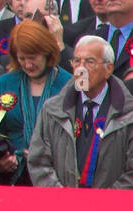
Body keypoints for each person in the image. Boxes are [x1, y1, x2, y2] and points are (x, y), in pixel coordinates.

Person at [27, 35, 132, 188]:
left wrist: (104, 201)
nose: (81, 68)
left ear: (108, 69)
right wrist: (62, 198)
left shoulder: (128, 113)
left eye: (90, 62)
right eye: (77, 61)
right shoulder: (52, 110)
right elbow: (38, 162)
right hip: (62, 205)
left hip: (111, 207)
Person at [0, 19, 70, 186]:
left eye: (33, 58)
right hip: (13, 176)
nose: (27, 64)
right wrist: (1, 160)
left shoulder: (68, 84)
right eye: (22, 58)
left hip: (55, 177)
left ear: (47, 52)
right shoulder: (4, 83)